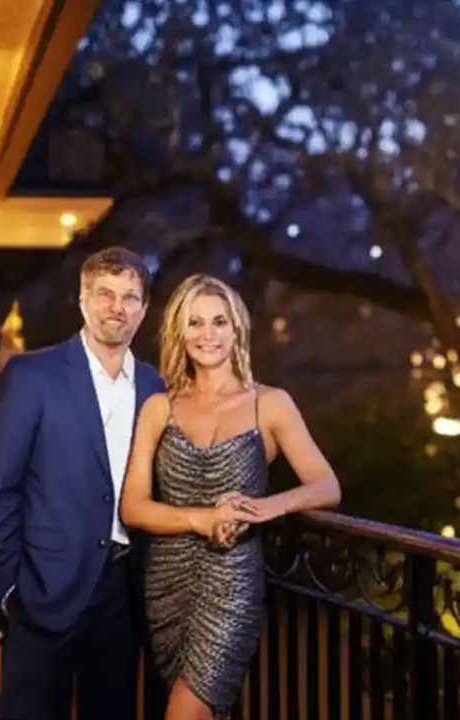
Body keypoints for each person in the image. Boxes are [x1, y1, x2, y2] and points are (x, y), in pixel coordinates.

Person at [0, 249, 254, 719]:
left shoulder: (155, 387)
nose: (116, 307)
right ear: (82, 300)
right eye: (104, 294)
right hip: (44, 587)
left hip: (124, 593)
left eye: (129, 297)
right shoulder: (32, 375)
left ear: (144, 310)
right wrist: (8, 587)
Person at [120, 273, 342, 720]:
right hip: (166, 581)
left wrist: (268, 507)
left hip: (232, 581)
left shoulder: (271, 404)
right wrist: (201, 519)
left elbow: (326, 486)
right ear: (180, 333)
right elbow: (132, 506)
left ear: (236, 328)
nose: (208, 334)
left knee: (184, 713)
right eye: (196, 322)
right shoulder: (159, 407)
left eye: (219, 322)